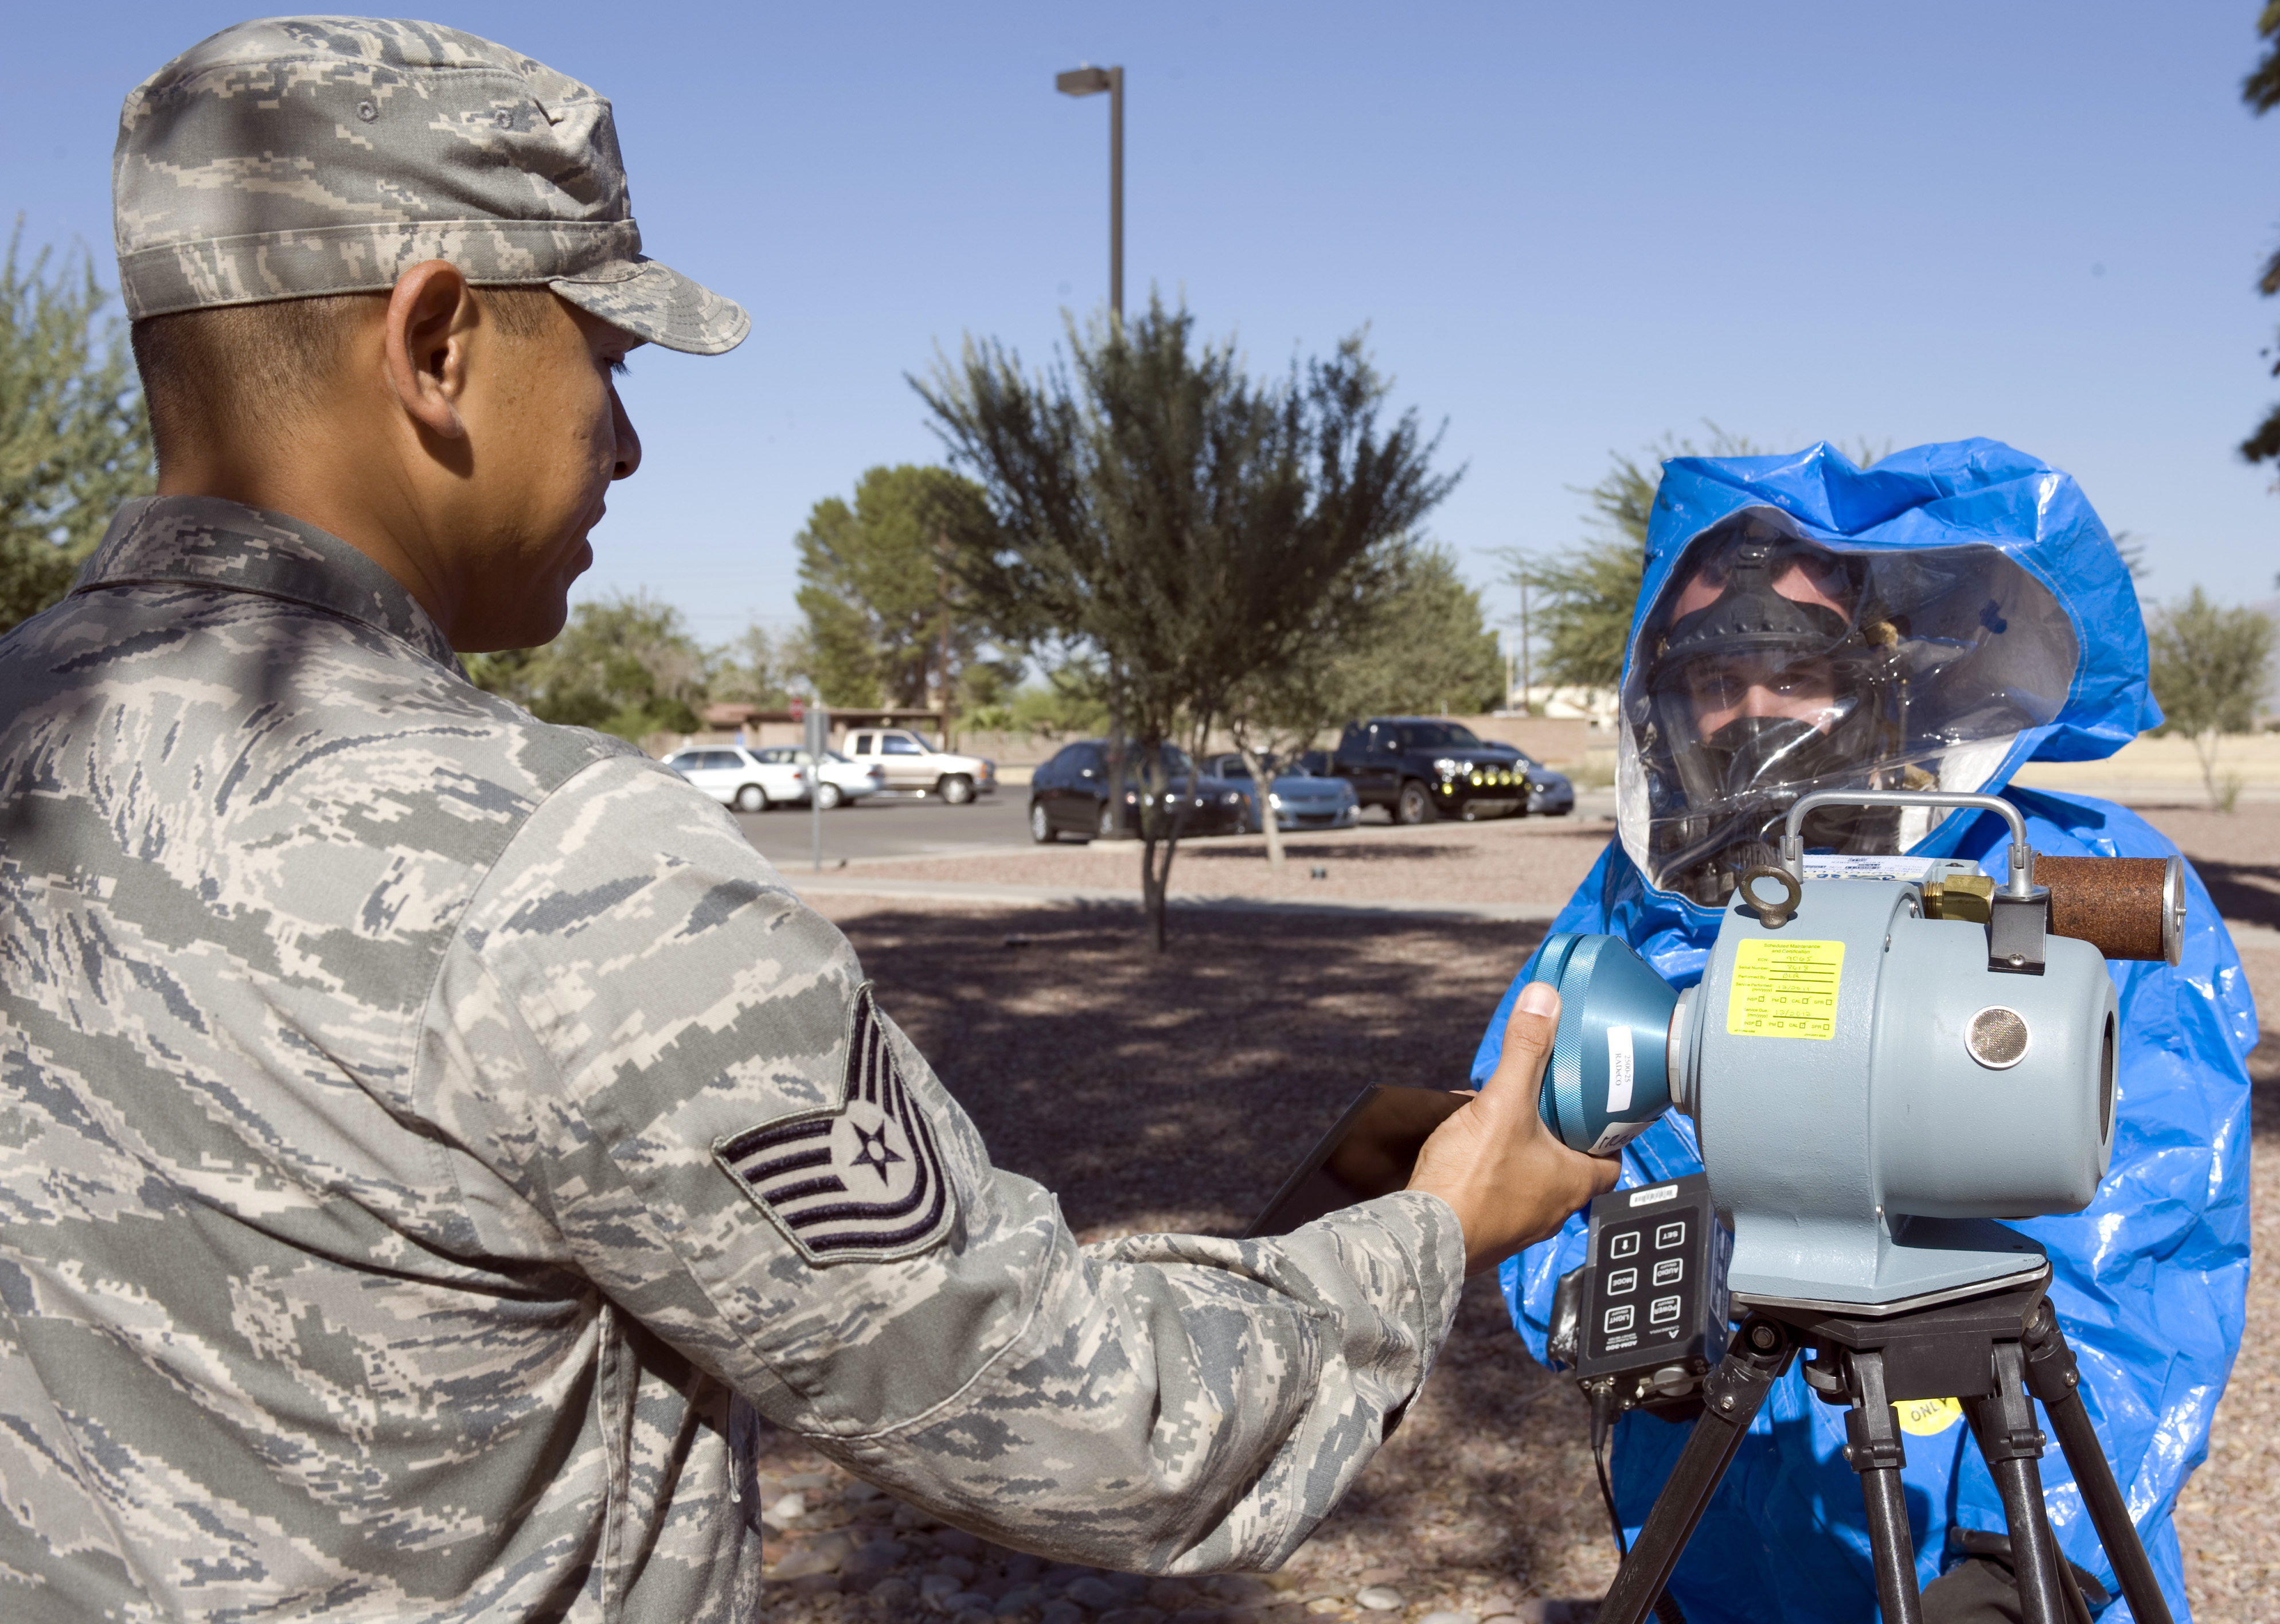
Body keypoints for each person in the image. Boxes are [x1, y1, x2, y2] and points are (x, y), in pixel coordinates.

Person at [0, 18, 1615, 1621]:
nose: (626, 444)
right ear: (436, 347)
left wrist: (1313, 1226)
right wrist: (1434, 1232)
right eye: (608, 360)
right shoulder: (550, 867)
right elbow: (1090, 1429)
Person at [1474, 443, 2255, 1622]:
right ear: (1662, 697)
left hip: (1987, 1524)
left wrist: (2028, 1561)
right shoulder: (1634, 903)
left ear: (1877, 679)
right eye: (1712, 676)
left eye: (1788, 672)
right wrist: (1613, 1317)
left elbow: (2156, 1224)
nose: (1748, 711)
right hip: (1720, 1520)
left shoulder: (2077, 877)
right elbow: (1526, 1136)